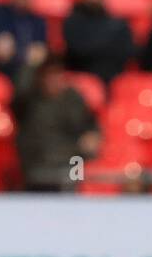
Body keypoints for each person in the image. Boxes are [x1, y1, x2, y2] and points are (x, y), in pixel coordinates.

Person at [12, 54, 100, 191]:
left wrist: (93, 135)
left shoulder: (73, 98)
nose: (54, 79)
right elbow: (18, 97)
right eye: (49, 75)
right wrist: (29, 66)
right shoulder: (30, 100)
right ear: (40, 78)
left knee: (78, 173)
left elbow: (90, 124)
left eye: (58, 73)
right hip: (38, 163)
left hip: (71, 160)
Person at [63, 0, 134, 85]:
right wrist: (108, 44)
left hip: (113, 78)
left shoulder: (118, 23)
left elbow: (127, 51)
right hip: (83, 81)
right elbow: (78, 51)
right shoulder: (72, 21)